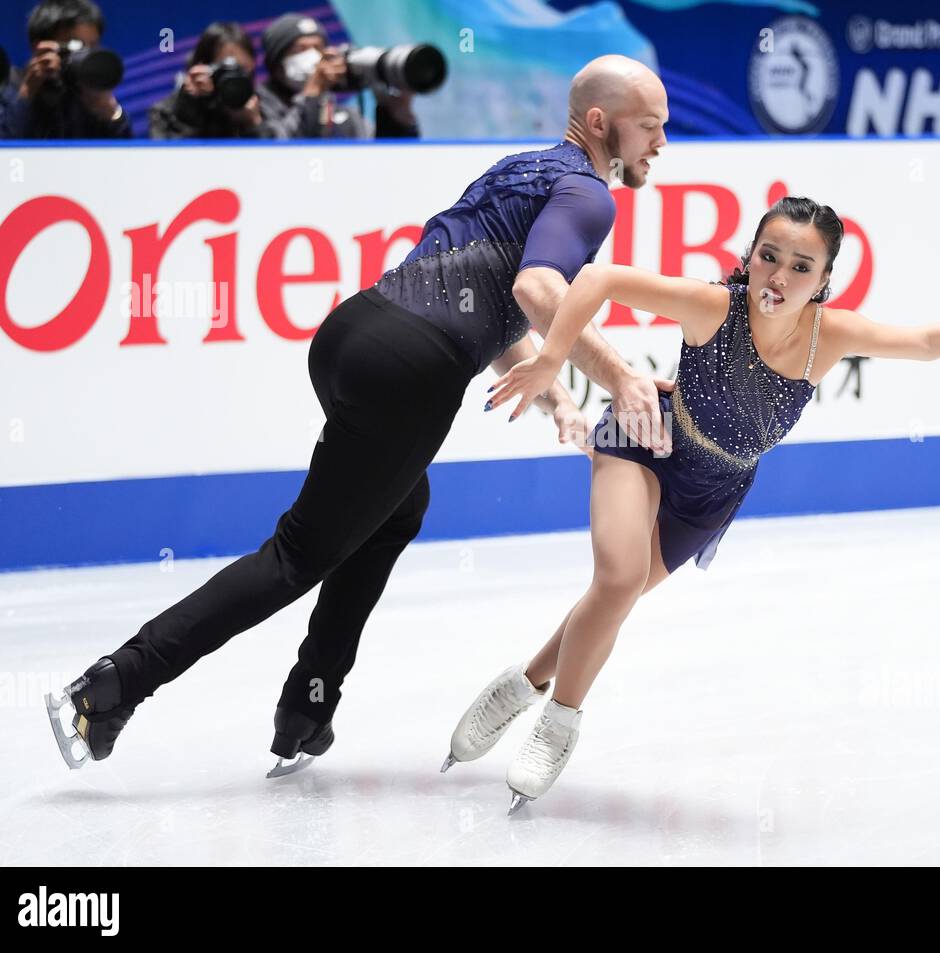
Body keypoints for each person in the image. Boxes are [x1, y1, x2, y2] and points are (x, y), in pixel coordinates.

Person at [45, 54, 673, 777]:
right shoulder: (591, 195)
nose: (659, 143)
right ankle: (116, 683)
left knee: (398, 507)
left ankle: (309, 706)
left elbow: (488, 292)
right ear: (601, 124)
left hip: (354, 333)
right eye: (650, 127)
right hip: (410, 372)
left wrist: (557, 391)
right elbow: (536, 286)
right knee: (295, 557)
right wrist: (621, 375)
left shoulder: (525, 166)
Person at [445, 197, 940, 812]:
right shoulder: (715, 306)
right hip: (646, 438)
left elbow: (926, 341)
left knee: (614, 597)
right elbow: (600, 278)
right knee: (618, 577)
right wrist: (551, 358)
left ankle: (521, 684)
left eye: (801, 266)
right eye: (769, 256)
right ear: (749, 258)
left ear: (824, 280)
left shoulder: (831, 335)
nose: (779, 276)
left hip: (711, 494)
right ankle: (560, 722)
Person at [0, 0, 129, 140]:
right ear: (39, 46)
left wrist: (109, 111)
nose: (85, 56)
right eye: (76, 47)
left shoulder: (89, 94)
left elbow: (125, 160)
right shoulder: (3, 88)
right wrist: (26, 95)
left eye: (92, 47)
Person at [256, 12, 419, 140]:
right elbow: (276, 155)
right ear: (276, 65)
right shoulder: (256, 108)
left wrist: (397, 118)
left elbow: (379, 166)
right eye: (300, 49)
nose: (313, 56)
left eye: (318, 47)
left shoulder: (344, 116)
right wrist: (313, 94)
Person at [148, 22, 275, 140]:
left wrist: (253, 123)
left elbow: (276, 160)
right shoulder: (166, 112)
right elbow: (168, 159)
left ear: (253, 65)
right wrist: (190, 109)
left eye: (241, 69)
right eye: (226, 70)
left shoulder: (264, 106)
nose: (233, 79)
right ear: (203, 66)